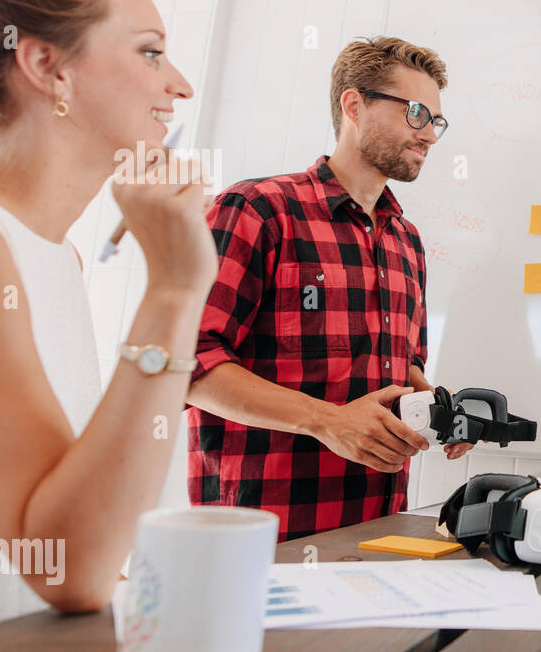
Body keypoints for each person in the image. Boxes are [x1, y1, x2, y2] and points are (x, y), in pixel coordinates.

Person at [0, 0, 214, 630]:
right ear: (48, 66)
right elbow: (67, 569)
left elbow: (80, 526)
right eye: (149, 53)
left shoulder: (54, 256)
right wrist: (172, 288)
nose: (180, 85)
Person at [185, 37, 473, 540]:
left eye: (436, 122)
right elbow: (188, 363)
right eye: (415, 113)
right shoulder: (257, 209)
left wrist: (437, 409)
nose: (428, 135)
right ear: (354, 105)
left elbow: (404, 366)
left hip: (378, 527)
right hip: (262, 534)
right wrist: (327, 421)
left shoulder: (407, 239)